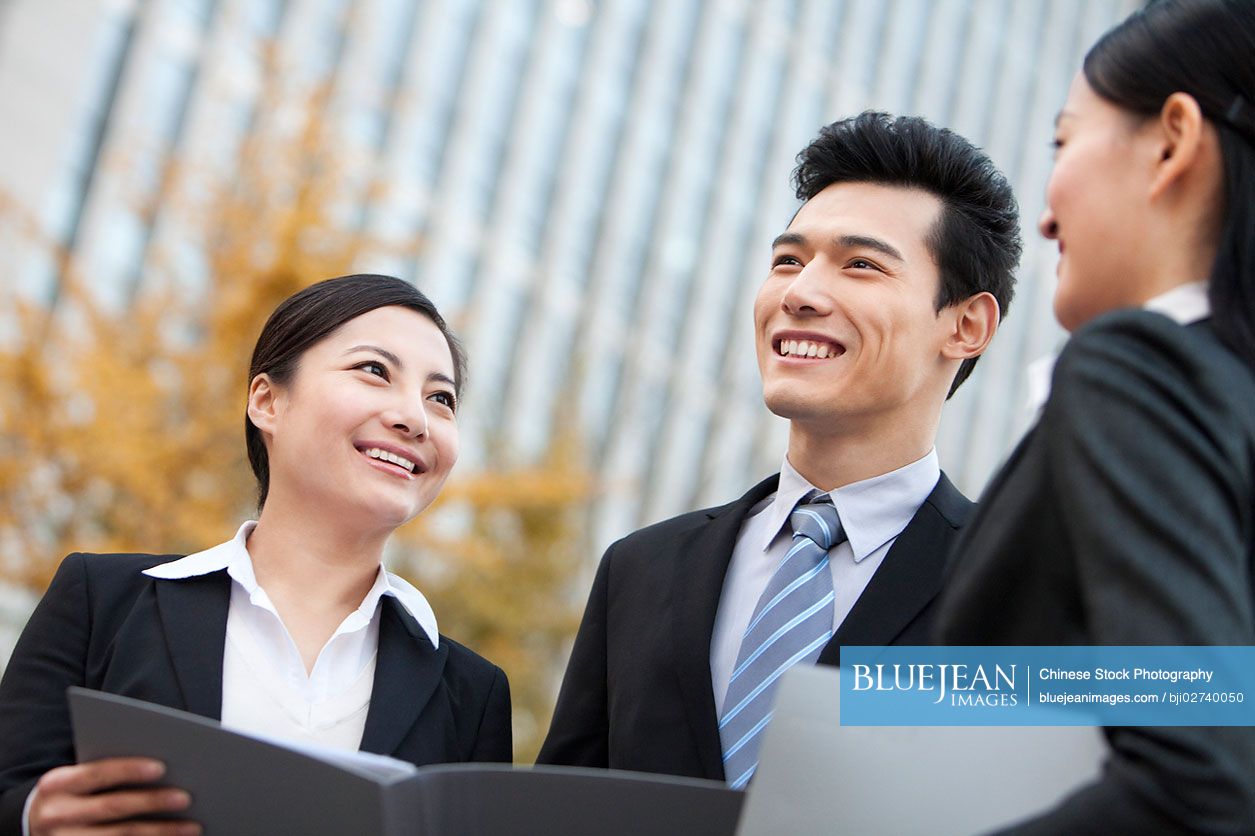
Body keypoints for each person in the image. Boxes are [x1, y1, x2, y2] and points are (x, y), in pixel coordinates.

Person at [538, 112, 1021, 787]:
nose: (799, 293)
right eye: (787, 261)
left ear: (966, 324)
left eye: (860, 265)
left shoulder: (1021, 592)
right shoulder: (639, 571)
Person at [0, 275, 512, 836]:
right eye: (374, 371)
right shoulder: (102, 600)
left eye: (441, 398)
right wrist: (30, 819)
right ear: (267, 401)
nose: (414, 418)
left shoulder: (473, 692)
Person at [934, 0, 1255, 832]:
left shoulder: (1136, 369)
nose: (1043, 214)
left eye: (1063, 142)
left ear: (1171, 141)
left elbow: (1200, 780)